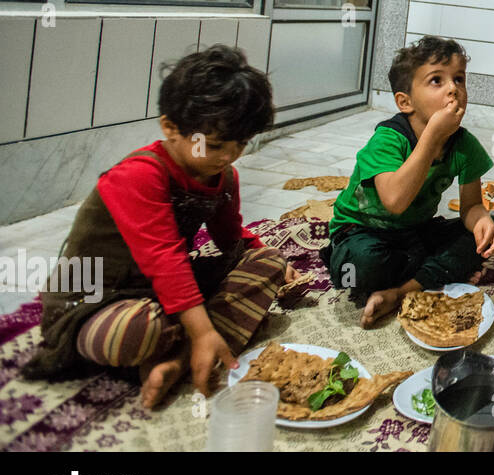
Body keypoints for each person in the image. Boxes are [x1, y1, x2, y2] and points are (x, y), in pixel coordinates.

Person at [22, 46, 292, 409]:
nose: (228, 156)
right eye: (212, 145)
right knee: (134, 331)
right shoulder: (139, 175)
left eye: (240, 144)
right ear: (170, 127)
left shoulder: (224, 177)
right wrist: (202, 326)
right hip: (95, 299)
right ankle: (197, 341)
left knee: (269, 261)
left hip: (163, 293)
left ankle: (178, 359)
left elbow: (232, 240)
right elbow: (164, 258)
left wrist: (265, 258)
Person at [324, 36, 494, 327]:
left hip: (413, 234)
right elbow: (395, 202)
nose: (453, 89)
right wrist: (432, 136)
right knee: (362, 265)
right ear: (404, 101)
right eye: (436, 80)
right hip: (361, 232)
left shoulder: (464, 145)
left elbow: (471, 205)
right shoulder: (387, 140)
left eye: (459, 79)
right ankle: (432, 272)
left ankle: (402, 291)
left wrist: (481, 220)